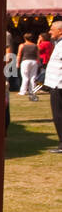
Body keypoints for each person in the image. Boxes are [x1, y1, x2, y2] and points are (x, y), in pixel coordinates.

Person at [44, 19, 62, 153]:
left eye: (52, 29)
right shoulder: (57, 43)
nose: (50, 31)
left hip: (58, 84)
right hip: (56, 83)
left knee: (58, 115)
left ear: (60, 31)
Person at [16, 33, 40, 100]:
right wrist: (38, 62)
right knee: (33, 77)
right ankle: (32, 91)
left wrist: (17, 63)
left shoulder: (22, 45)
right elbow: (38, 55)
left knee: (25, 77)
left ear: (24, 38)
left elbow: (19, 54)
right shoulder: (35, 45)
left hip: (25, 61)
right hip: (34, 61)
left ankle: (22, 91)